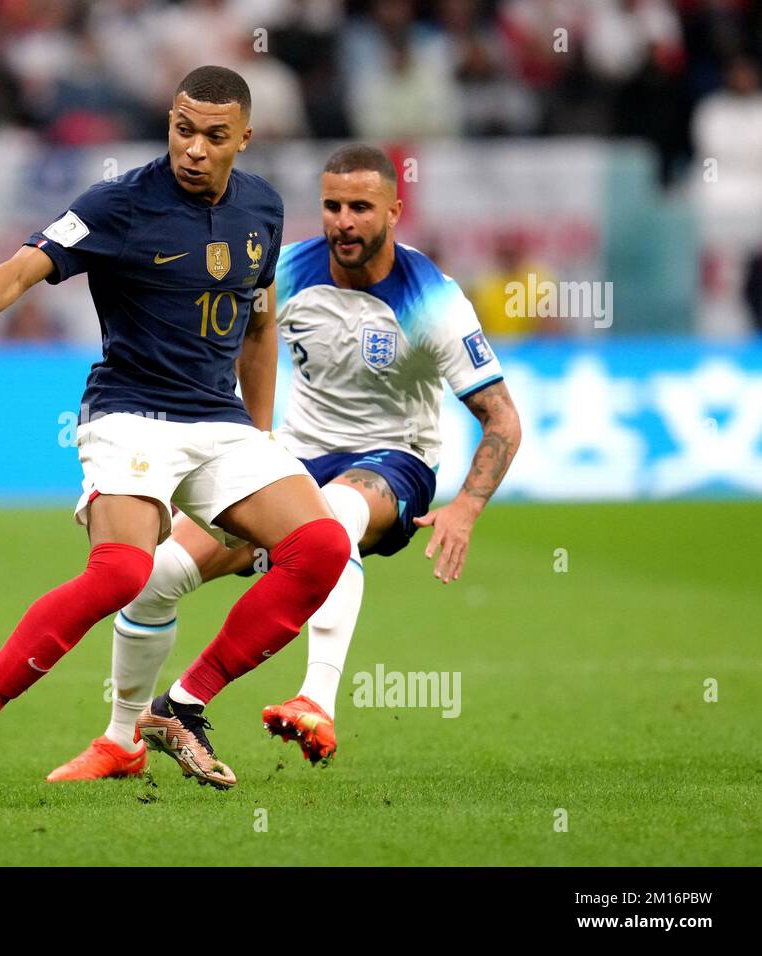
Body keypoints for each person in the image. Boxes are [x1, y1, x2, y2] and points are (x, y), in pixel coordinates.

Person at [0, 65, 351, 807]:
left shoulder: (263, 209)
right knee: (121, 573)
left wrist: (263, 434)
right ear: (169, 125)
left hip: (218, 421)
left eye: (216, 136)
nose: (196, 149)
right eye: (184, 129)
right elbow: (24, 268)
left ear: (244, 138)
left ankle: (180, 706)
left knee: (324, 548)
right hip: (131, 412)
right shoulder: (120, 206)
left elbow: (260, 324)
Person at [47, 144, 522, 781]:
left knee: (334, 518)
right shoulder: (287, 272)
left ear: (394, 211)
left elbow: (503, 419)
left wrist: (465, 507)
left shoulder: (432, 299)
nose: (343, 221)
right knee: (155, 577)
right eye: (332, 206)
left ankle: (313, 700)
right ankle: (122, 739)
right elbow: (237, 342)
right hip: (292, 457)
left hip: (395, 463)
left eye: (360, 207)